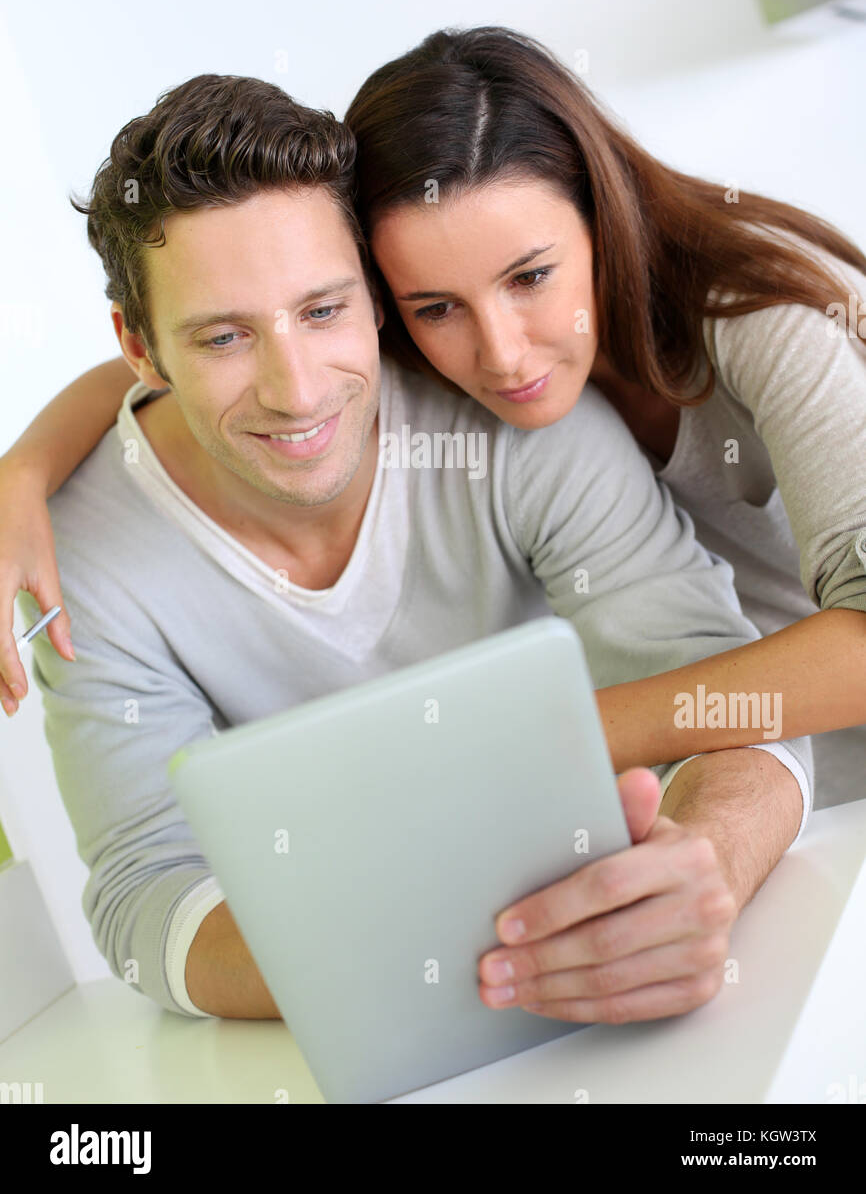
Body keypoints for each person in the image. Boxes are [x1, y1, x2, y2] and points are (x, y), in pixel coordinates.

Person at [8, 74, 809, 1024]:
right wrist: (421, 960)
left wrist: (698, 870)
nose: (297, 391)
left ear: (378, 300)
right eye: (223, 337)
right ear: (138, 348)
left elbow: (725, 698)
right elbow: (148, 894)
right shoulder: (75, 561)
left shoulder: (515, 424)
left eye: (322, 311)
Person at [2, 30, 865, 810]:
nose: (504, 357)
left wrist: (560, 735)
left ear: (605, 215)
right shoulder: (389, 352)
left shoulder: (771, 316)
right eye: (436, 305)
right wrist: (24, 470)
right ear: (382, 298)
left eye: (530, 278)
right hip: (797, 800)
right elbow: (206, 348)